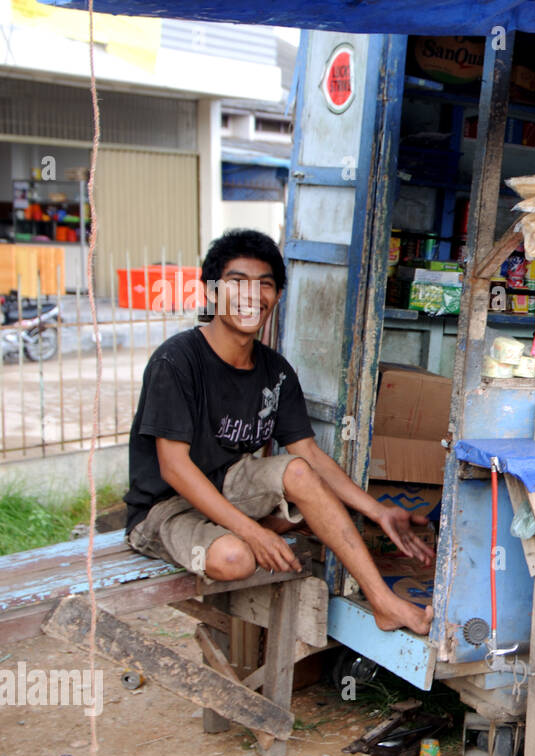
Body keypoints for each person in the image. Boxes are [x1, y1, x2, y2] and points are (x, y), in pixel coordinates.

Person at [123, 229, 436, 634]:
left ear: (277, 297)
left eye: (265, 284)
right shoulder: (177, 360)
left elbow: (308, 453)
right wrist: (252, 532)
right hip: (165, 507)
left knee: (301, 474)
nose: (252, 295)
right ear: (212, 291)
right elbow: (174, 468)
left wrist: (377, 511)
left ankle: (383, 602)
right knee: (236, 558)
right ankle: (245, 534)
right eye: (237, 282)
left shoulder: (276, 371)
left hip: (227, 485)